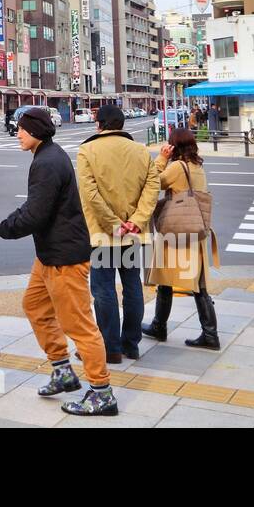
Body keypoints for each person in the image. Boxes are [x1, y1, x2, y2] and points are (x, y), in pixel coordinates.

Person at [0, 107, 117, 417]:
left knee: (79, 325)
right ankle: (62, 369)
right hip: (50, 256)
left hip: (64, 257)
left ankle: (101, 391)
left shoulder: (47, 162)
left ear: (36, 131)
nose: (17, 133)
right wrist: (2, 223)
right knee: (35, 306)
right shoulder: (47, 156)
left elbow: (35, 215)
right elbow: (34, 206)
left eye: (22, 129)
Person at [76, 104, 160, 363]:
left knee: (103, 290)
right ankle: (131, 344)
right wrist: (135, 221)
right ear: (122, 124)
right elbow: (153, 186)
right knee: (132, 285)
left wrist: (114, 224)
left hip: (103, 234)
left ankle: (110, 348)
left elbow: (89, 195)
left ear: (99, 124)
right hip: (135, 234)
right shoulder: (141, 151)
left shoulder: (87, 150)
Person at [143, 128, 220, 351]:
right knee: (197, 283)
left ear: (174, 146)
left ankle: (162, 327)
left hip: (176, 230)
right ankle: (208, 333)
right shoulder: (197, 165)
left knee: (166, 279)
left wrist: (161, 158)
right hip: (194, 230)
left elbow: (153, 183)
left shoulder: (177, 167)